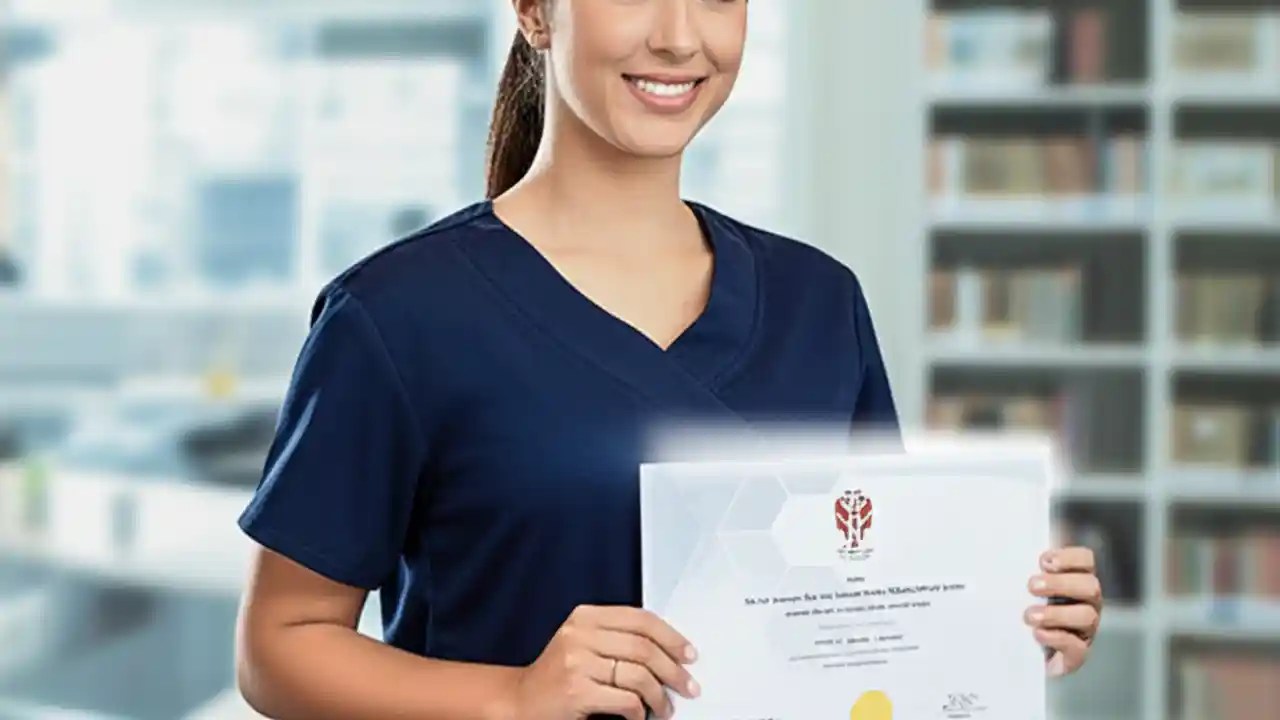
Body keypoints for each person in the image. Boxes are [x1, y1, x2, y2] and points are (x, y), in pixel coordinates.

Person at [234, 2, 1103, 719]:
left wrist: (1000, 616)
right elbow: (279, 649)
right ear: (535, 11)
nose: (680, 36)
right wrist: (512, 697)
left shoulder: (819, 301)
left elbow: (859, 609)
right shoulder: (398, 314)